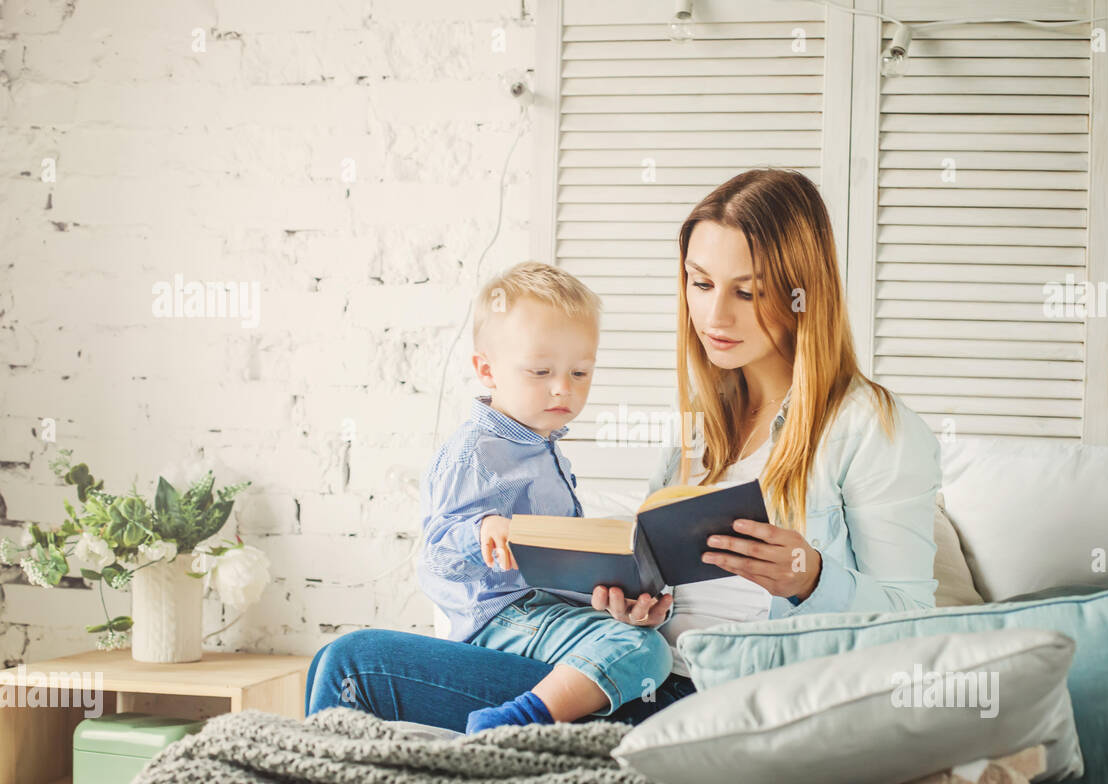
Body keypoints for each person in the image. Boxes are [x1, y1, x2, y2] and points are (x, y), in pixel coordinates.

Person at [305, 168, 941, 731]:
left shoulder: (873, 427)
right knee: (348, 661)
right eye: (699, 283)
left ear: (804, 293)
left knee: (357, 672)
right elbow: (659, 604)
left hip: (729, 704)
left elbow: (916, 628)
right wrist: (632, 604)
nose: (714, 314)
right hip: (627, 679)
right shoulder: (700, 433)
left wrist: (812, 577)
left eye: (747, 291)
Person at [419, 260, 674, 732]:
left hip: (546, 611)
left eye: (580, 372)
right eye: (541, 371)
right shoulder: (473, 453)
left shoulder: (543, 445)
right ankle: (514, 723)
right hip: (500, 618)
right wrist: (481, 530)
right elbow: (435, 551)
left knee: (642, 639)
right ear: (486, 370)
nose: (563, 388)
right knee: (643, 651)